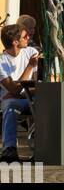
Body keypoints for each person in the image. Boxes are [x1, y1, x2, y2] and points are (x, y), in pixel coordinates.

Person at [0, 24, 39, 161]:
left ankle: (41, 147)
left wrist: (22, 91)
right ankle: (9, 149)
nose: (28, 37)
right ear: (15, 42)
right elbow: (14, 90)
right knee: (10, 105)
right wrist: (30, 66)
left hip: (30, 98)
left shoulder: (31, 52)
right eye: (24, 36)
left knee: (44, 103)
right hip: (15, 101)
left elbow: (37, 84)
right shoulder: (1, 61)